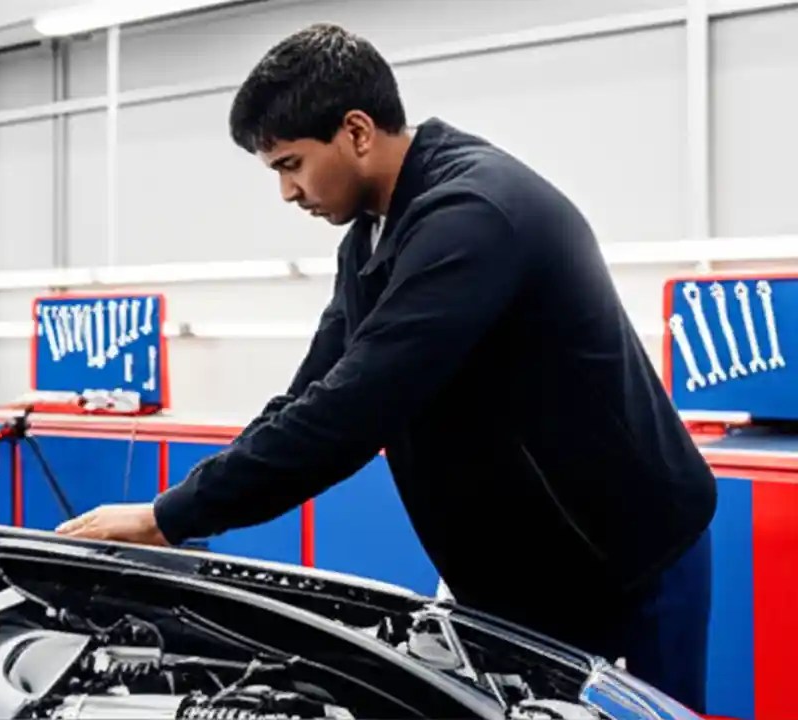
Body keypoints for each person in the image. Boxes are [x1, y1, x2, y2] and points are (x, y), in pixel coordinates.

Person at [55, 23, 717, 711]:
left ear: (357, 132)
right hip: (525, 574)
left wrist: (168, 517)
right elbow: (309, 395)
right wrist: (177, 504)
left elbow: (355, 409)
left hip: (628, 558)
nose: (287, 193)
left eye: (291, 164)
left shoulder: (474, 216)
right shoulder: (372, 237)